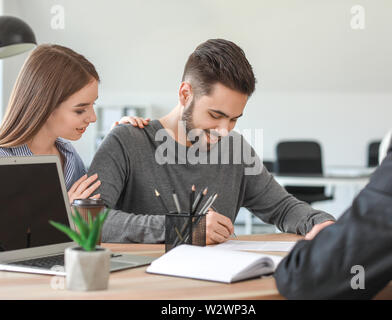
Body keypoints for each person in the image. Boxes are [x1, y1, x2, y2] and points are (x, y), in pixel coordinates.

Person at [88, 39, 335, 244]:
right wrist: (183, 228)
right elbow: (88, 221)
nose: (224, 131)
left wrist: (322, 223)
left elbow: (283, 208)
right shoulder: (126, 141)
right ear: (185, 94)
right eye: (215, 115)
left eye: (234, 119)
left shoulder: (235, 150)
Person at [274, 109, 392, 299]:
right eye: (227, 116)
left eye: (235, 118)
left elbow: (305, 280)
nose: (228, 129)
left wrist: (319, 225)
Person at [0, 44, 150, 204]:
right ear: (46, 107)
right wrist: (64, 213)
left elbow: (98, 205)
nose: (93, 118)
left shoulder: (69, 156)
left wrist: (118, 140)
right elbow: (5, 231)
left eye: (93, 105)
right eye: (80, 110)